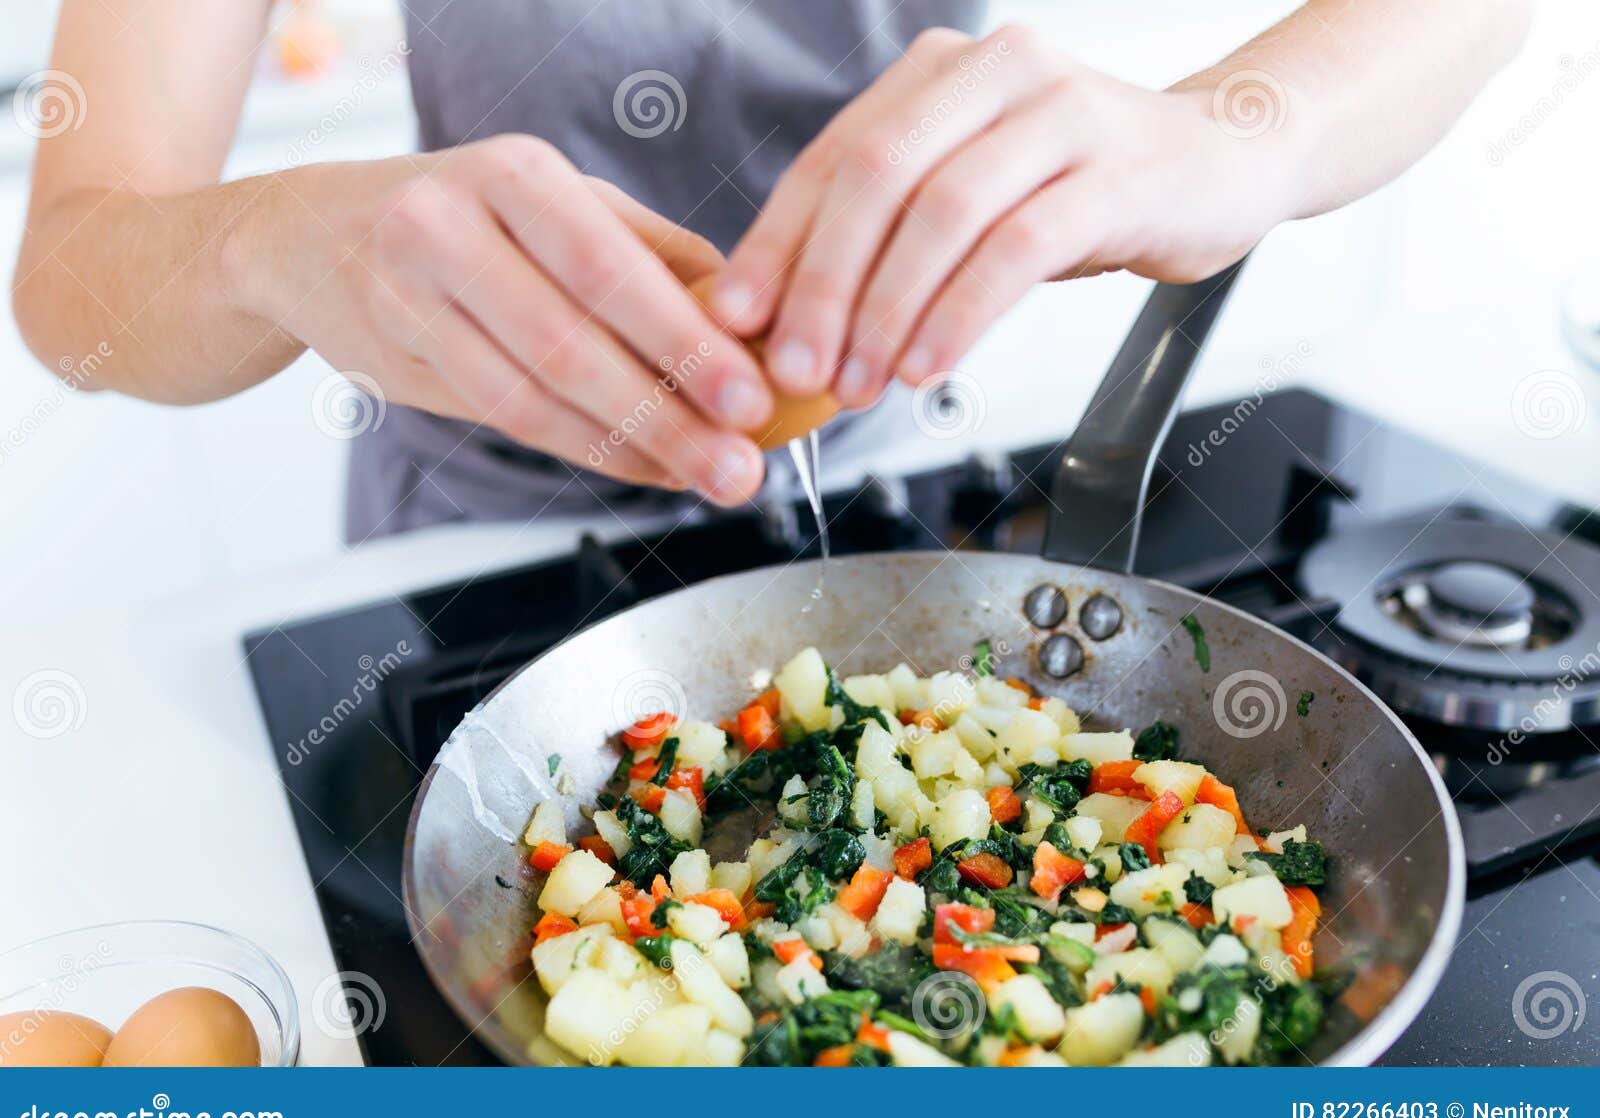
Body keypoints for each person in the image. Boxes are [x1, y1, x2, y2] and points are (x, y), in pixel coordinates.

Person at [11, 1, 1531, 539]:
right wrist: (267, 243)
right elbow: (74, 273)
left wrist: (1235, 136)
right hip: (468, 524)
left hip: (887, 472)